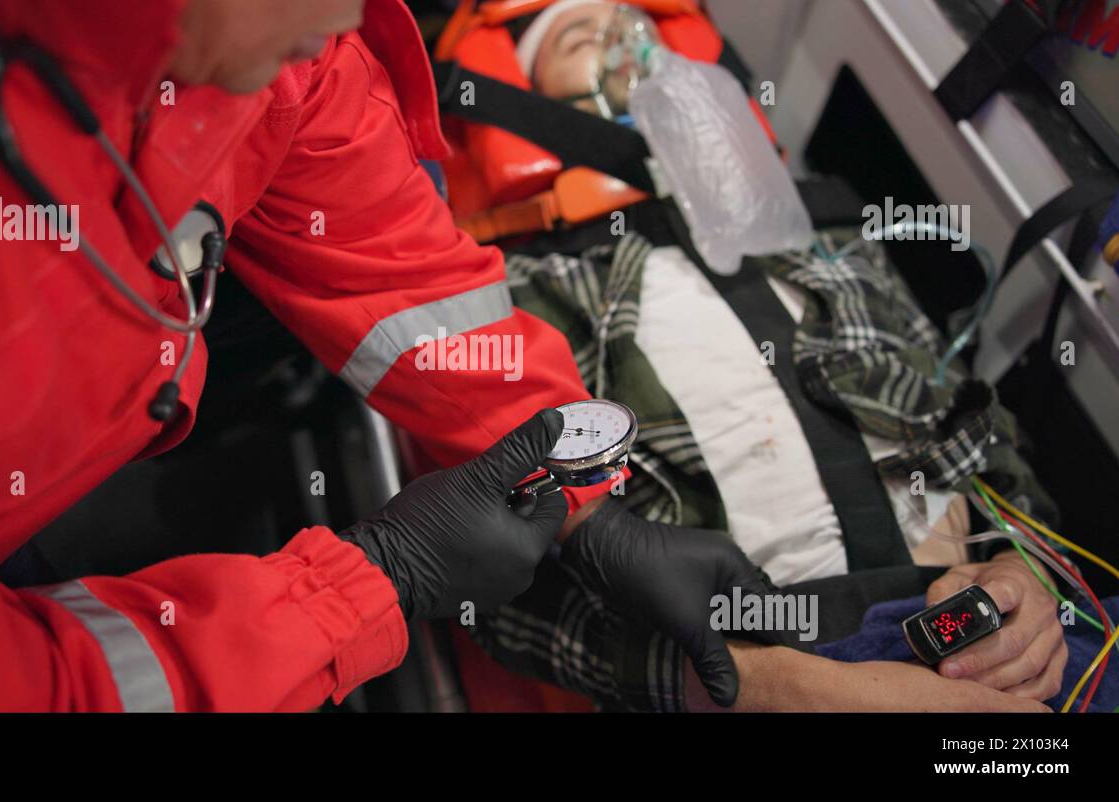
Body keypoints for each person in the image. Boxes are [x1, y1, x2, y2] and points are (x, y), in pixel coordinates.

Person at [0, 0, 772, 711]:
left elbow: (402, 273)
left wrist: (581, 502)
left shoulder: (260, 42)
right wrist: (369, 583)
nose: (345, 19)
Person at [439, 0, 1069, 712]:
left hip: (985, 641)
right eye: (582, 35)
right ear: (522, 104)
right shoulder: (518, 294)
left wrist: (1030, 578)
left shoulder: (822, 230)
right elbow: (493, 595)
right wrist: (761, 685)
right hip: (768, 661)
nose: (625, 41)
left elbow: (979, 427)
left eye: (631, 18)